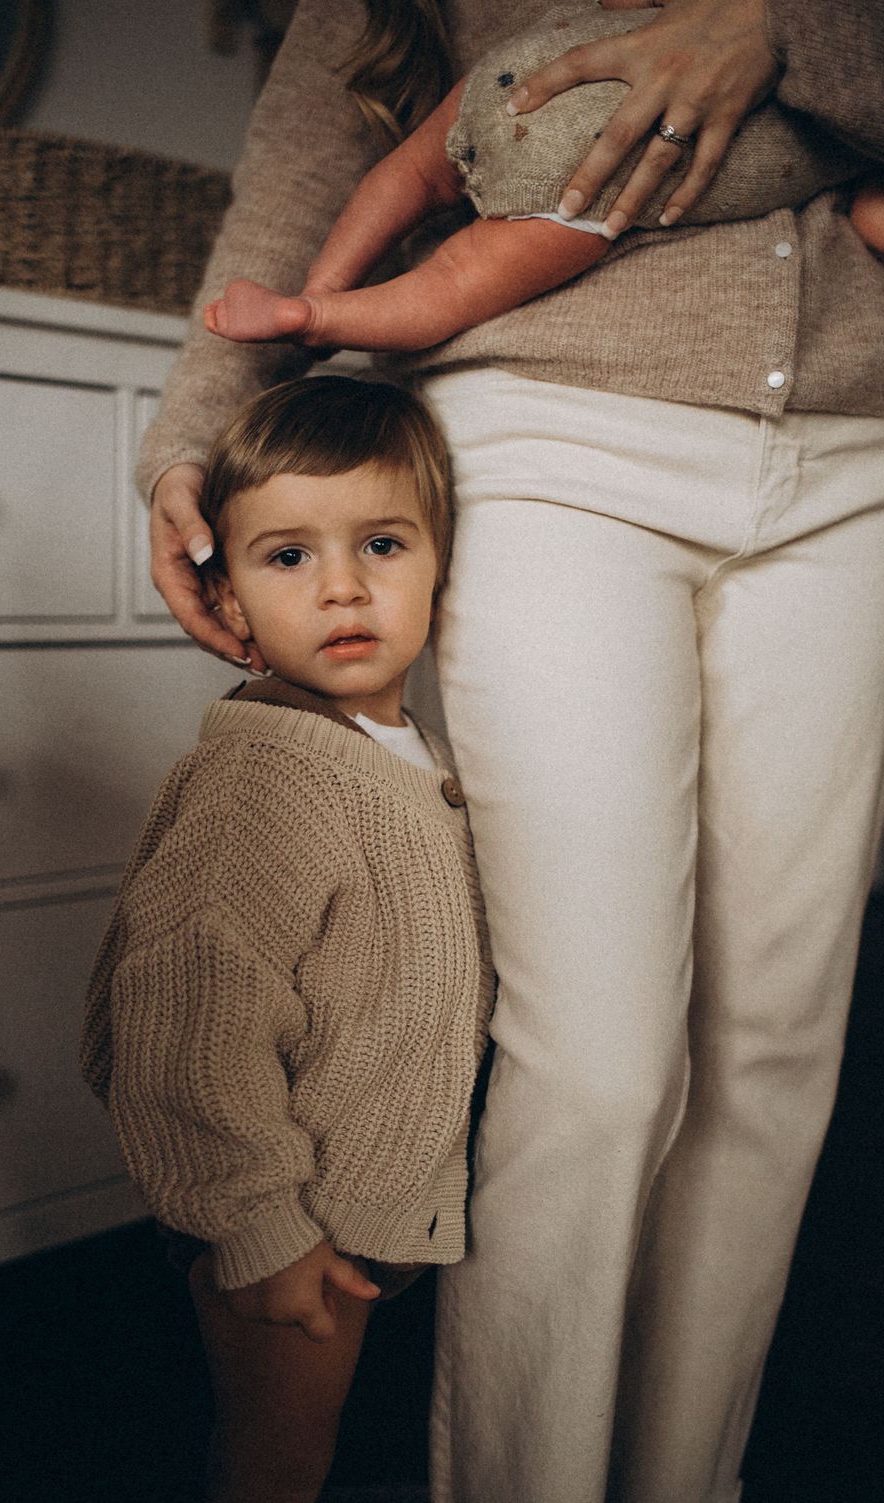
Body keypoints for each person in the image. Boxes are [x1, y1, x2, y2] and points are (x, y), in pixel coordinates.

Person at [137, 1, 884, 1499]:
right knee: (597, 1060)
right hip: (551, 440)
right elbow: (306, 165)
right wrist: (192, 440)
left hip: (857, 463)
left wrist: (772, 33)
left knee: (772, 1057)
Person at [81, 374, 494, 1503]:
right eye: (288, 556)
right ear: (226, 595)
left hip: (363, 1201)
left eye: (382, 544)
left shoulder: (408, 752)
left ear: (442, 560)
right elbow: (180, 1024)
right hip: (285, 1211)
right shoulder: (264, 779)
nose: (343, 587)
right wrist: (260, 1225)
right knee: (277, 1464)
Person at [203, 5, 882, 353]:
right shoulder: (843, 92)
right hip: (592, 170)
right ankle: (315, 316)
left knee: (410, 173)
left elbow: (310, 157)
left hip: (535, 66)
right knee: (454, 281)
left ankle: (323, 284)